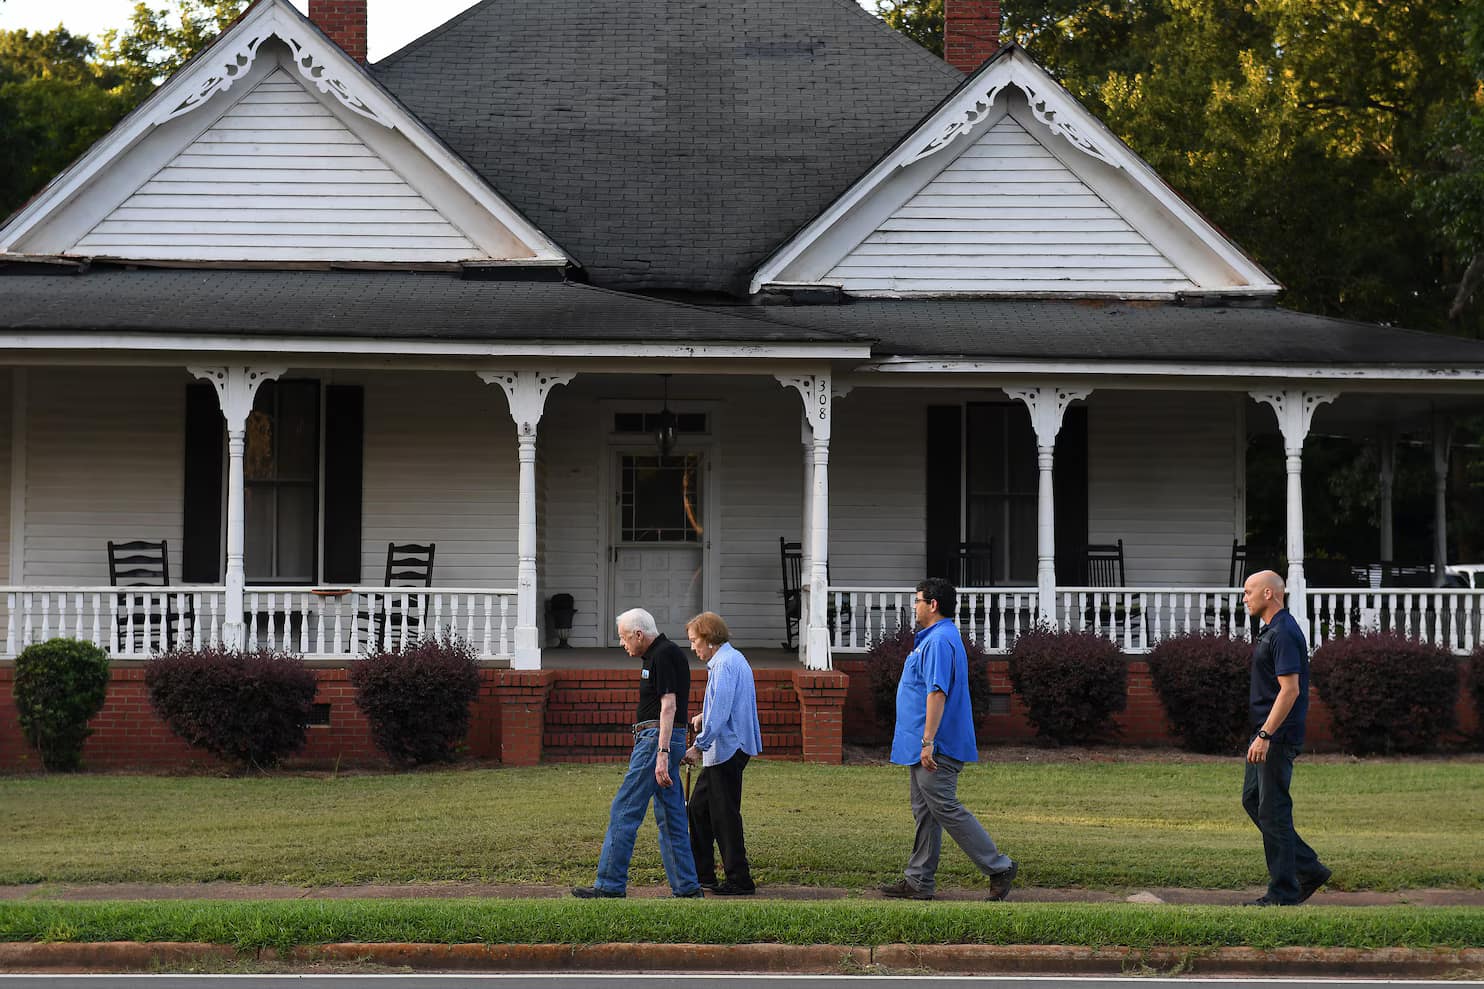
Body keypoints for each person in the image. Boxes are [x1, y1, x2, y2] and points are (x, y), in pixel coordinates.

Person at [880, 577, 1018, 902]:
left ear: (933, 604)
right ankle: (918, 881)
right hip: (923, 745)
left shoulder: (940, 641)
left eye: (917, 601)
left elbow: (937, 692)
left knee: (945, 807)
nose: (914, 607)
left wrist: (928, 741)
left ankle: (999, 866)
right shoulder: (935, 638)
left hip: (935, 747)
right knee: (926, 813)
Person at [572, 608, 702, 899]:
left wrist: (663, 753)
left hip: (656, 739)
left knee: (625, 808)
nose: (622, 644)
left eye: (624, 638)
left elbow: (668, 705)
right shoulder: (658, 655)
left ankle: (609, 884)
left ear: (639, 634)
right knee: (671, 815)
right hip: (661, 738)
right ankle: (688, 888)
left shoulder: (663, 654)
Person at [1241, 570, 1331, 906]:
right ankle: (1309, 869)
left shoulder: (1284, 632)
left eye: (1249, 591)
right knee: (1254, 800)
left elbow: (1290, 690)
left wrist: (1266, 734)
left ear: (1269, 593)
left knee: (1273, 811)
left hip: (1275, 736)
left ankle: (1283, 891)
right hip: (1265, 733)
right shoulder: (1271, 631)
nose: (1244, 598)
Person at [681, 611, 763, 896]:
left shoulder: (725, 665)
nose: (693, 647)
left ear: (709, 639)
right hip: (730, 746)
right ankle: (704, 874)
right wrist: (705, 715)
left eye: (695, 641)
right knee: (699, 809)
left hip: (728, 748)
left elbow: (722, 710)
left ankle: (739, 879)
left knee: (724, 815)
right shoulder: (731, 659)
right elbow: (725, 703)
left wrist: (697, 746)